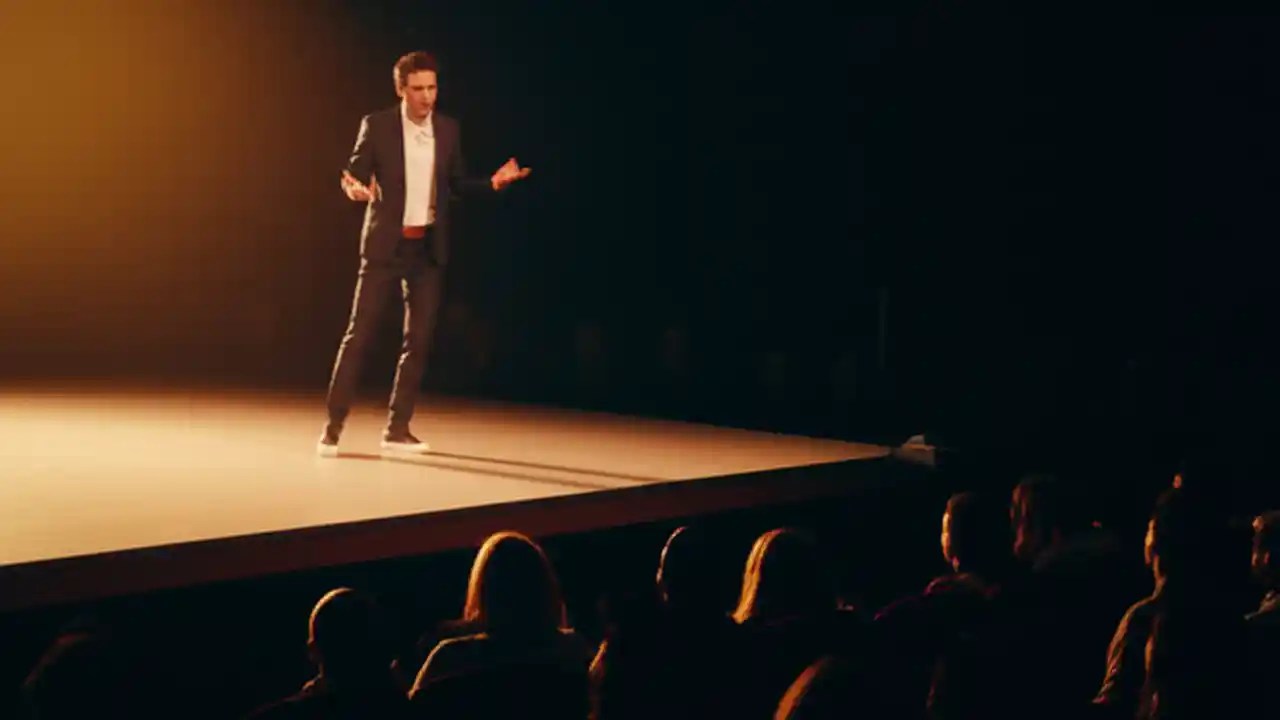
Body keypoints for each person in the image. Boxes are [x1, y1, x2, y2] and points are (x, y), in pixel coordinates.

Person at [319, 51, 530, 456]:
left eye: (432, 88)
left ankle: (397, 429)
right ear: (401, 90)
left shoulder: (448, 130)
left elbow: (455, 184)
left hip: (427, 248)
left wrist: (493, 184)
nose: (427, 97)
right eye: (418, 89)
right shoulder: (377, 125)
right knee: (358, 336)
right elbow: (355, 172)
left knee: (417, 340)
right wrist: (354, 188)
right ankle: (333, 427)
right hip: (385, 246)